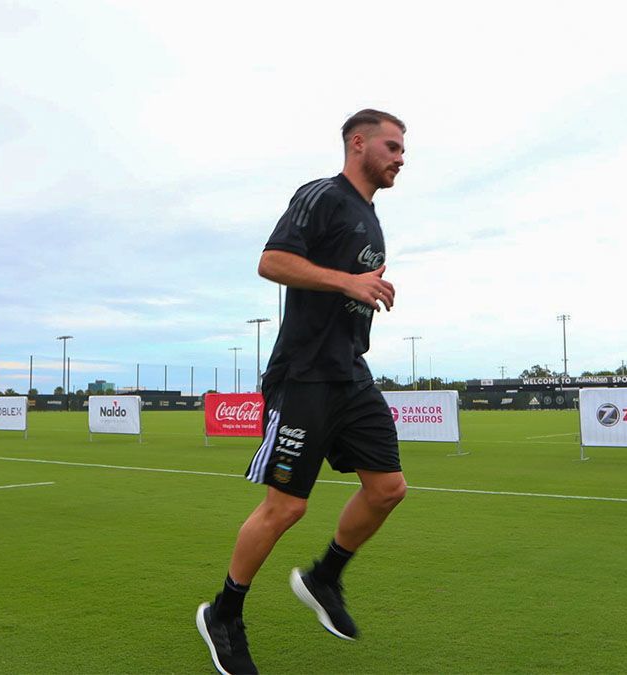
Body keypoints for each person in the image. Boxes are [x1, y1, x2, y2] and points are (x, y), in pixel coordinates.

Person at [196, 109, 408, 675]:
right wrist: (348, 281)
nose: (400, 158)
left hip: (350, 371)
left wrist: (367, 291)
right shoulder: (322, 194)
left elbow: (349, 284)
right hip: (305, 373)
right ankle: (224, 613)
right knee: (287, 505)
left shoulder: (370, 216)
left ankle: (324, 577)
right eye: (391, 146)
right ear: (357, 143)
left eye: (402, 149)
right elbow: (271, 261)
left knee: (388, 488)